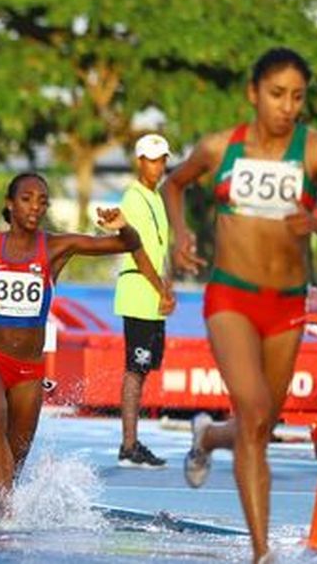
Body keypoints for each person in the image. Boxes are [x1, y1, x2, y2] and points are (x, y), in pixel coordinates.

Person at [163, 47, 317, 563]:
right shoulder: (220, 147)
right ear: (253, 93)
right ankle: (261, 553)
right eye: (277, 95)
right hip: (231, 296)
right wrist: (180, 237)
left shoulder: (315, 150)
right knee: (253, 411)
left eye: (297, 97)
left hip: (286, 305)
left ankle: (208, 435)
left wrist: (315, 223)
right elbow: (174, 183)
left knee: (260, 425)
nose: (287, 107)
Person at [0, 173, 143, 514]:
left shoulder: (57, 247)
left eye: (42, 201)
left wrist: (123, 226)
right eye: (27, 199)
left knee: (14, 464)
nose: (35, 207)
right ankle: (6, 515)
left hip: (28, 372)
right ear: (10, 203)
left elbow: (127, 245)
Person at [113, 134, 177, 468]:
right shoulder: (133, 198)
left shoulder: (155, 197)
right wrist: (161, 290)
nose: (158, 166)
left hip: (152, 295)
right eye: (152, 160)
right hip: (139, 292)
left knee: (143, 369)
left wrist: (167, 288)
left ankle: (132, 442)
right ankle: (128, 444)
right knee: (135, 369)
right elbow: (138, 252)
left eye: (162, 159)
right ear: (140, 162)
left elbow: (159, 249)